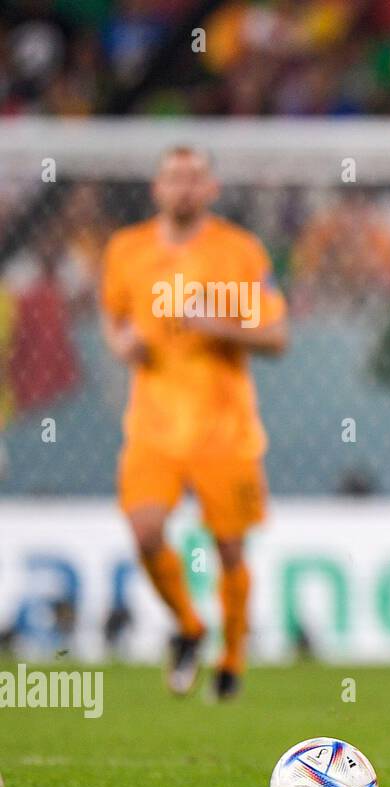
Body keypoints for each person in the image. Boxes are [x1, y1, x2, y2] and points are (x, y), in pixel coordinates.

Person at [100, 146, 288, 700]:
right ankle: (189, 624)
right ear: (156, 189)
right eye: (173, 178)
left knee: (229, 547)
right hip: (153, 426)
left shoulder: (239, 252)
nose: (183, 188)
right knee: (144, 530)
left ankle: (231, 660)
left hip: (223, 429)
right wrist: (121, 344)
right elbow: (114, 320)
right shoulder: (126, 250)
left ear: (212, 190)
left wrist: (218, 324)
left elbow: (277, 337)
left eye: (194, 178)